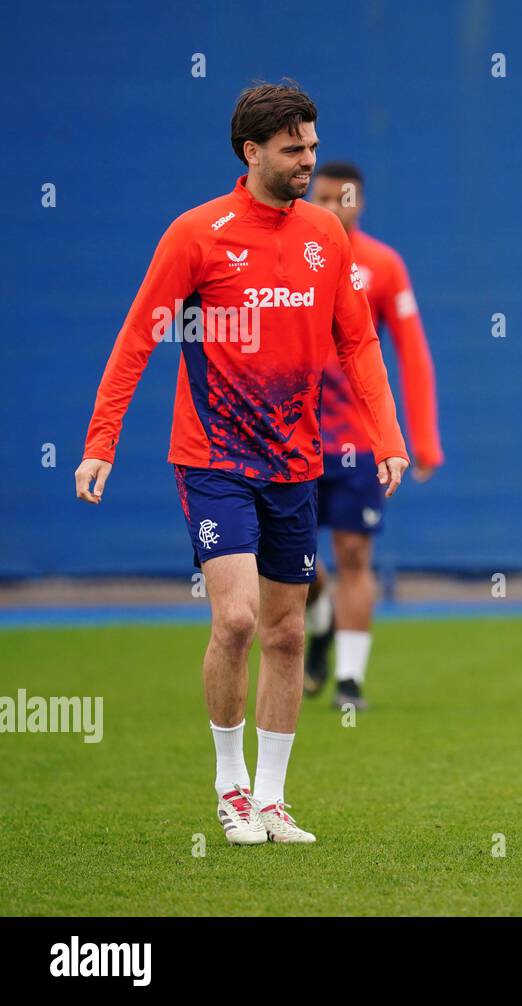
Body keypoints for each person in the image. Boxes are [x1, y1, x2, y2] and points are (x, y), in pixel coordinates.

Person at [75, 82, 409, 845]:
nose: (309, 160)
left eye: (314, 147)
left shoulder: (328, 234)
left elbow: (357, 344)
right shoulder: (196, 234)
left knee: (287, 633)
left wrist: (387, 437)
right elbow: (137, 337)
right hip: (213, 457)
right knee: (236, 618)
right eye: (294, 149)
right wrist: (101, 441)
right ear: (252, 151)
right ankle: (228, 788)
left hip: (296, 461)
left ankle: (272, 799)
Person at [304, 162, 444, 711]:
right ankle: (318, 617)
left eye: (344, 198)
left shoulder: (383, 265)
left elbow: (412, 353)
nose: (333, 207)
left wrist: (423, 440)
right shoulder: (289, 257)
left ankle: (349, 681)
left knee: (354, 553)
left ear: (359, 203)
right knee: (288, 560)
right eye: (323, 197)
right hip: (291, 437)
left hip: (358, 440)